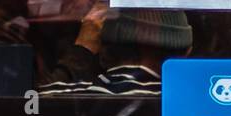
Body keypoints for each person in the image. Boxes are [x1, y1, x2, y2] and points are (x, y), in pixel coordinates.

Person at [40, 8, 193, 96]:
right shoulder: (191, 103)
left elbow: (29, 105)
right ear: (185, 54)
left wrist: (82, 49)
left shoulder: (61, 98)